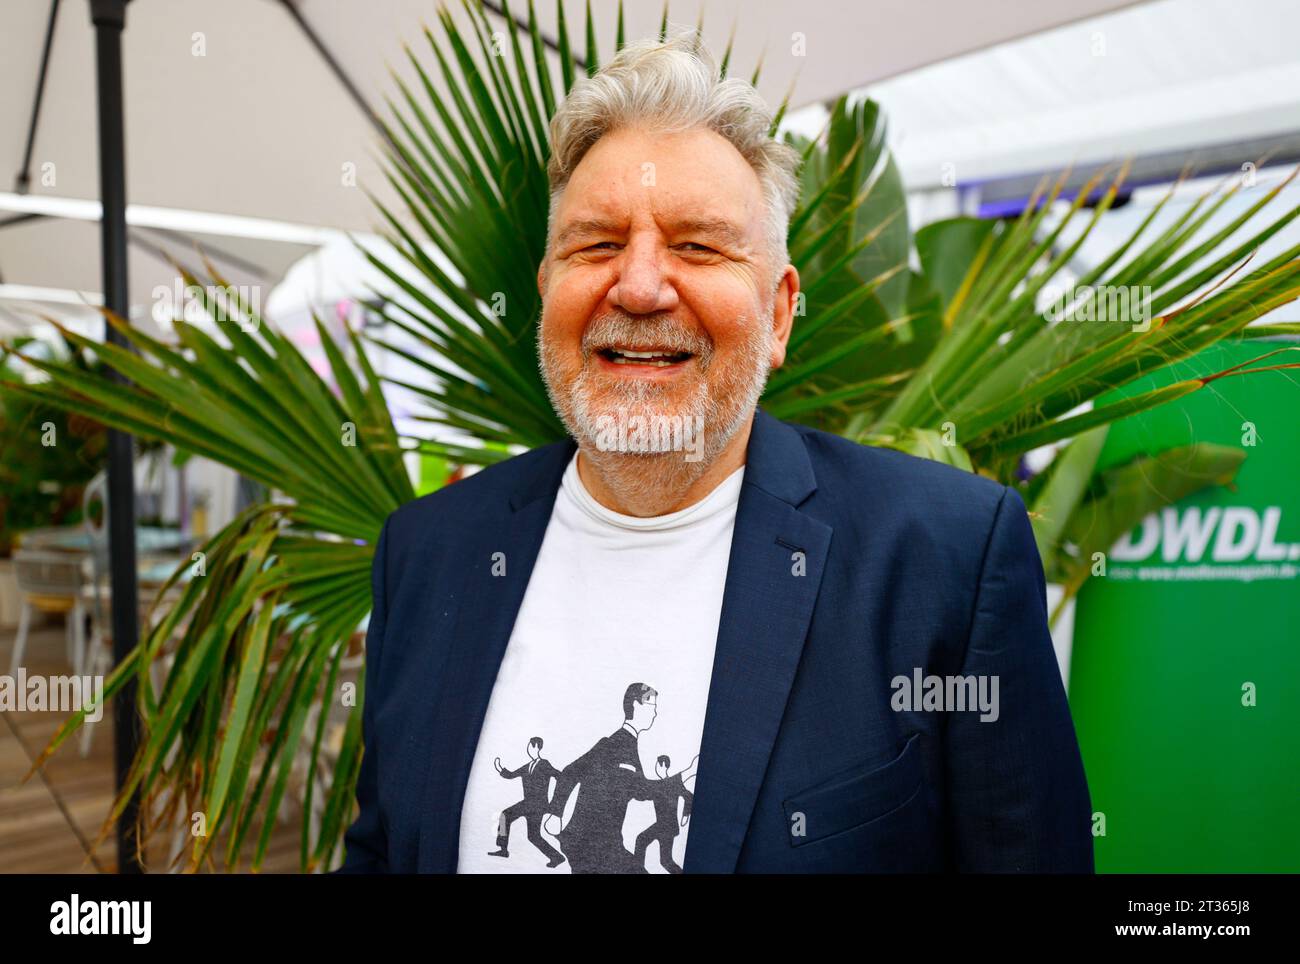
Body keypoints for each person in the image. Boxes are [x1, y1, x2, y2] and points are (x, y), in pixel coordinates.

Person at [339, 30, 1093, 874]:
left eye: (698, 246)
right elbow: (382, 848)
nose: (640, 285)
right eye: (596, 244)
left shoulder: (942, 557)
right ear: (550, 290)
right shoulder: (429, 551)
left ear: (777, 315)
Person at [488, 737, 564, 868]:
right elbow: (511, 774)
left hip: (538, 804)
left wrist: (555, 802)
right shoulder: (528, 766)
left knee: (505, 815)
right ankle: (557, 857)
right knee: (533, 836)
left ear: (536, 747)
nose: (528, 748)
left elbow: (559, 776)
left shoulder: (544, 764)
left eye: (530, 745)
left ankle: (503, 849)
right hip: (528, 803)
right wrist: (500, 768)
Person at [634, 755, 694, 874]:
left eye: (657, 765)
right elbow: (642, 794)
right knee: (665, 860)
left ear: (662, 765)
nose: (656, 768)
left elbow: (688, 796)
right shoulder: (662, 784)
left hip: (667, 827)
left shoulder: (673, 782)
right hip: (665, 826)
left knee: (643, 842)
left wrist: (686, 815)